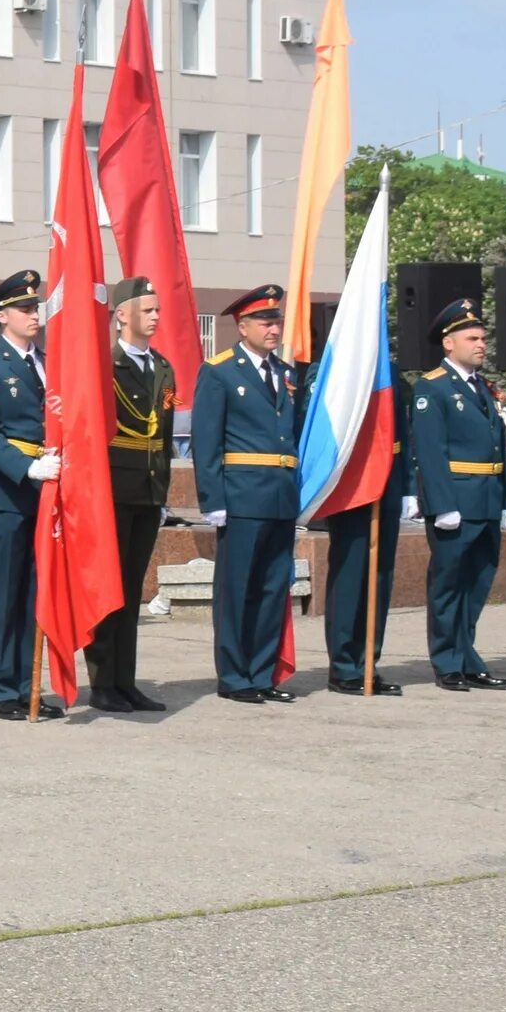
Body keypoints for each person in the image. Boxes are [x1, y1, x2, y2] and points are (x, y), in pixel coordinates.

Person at [190, 283, 301, 706]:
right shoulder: (219, 371)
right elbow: (207, 440)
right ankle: (235, 676)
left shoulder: (286, 374)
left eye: (276, 321)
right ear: (242, 326)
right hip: (240, 496)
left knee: (273, 588)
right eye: (265, 321)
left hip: (279, 496)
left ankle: (262, 671)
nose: (274, 329)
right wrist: (212, 498)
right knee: (237, 590)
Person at [0, 272, 65, 720]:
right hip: (6, 491)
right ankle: (2, 688)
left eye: (35, 307)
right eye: (24, 309)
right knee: (4, 592)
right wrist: (27, 467)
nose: (33, 314)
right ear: (2, 316)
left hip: (47, 488)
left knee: (34, 592)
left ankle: (31, 685)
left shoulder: (46, 363)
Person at [410, 297, 506, 691]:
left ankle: (467, 656)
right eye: (472, 338)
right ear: (448, 342)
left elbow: (499, 447)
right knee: (449, 585)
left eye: (483, 338)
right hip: (457, 501)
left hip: (487, 499)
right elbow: (431, 452)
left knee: (478, 583)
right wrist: (442, 505)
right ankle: (447, 662)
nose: (481, 344)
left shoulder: (482, 388)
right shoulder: (432, 387)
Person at [315, 299, 412, 699]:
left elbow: (402, 441)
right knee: (352, 575)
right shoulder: (340, 379)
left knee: (380, 578)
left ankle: (369, 660)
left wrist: (407, 490)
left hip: (386, 486)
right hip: (353, 486)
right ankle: (344, 666)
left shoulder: (395, 380)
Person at [92, 278, 178, 712]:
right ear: (122, 314)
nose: (156, 317)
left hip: (146, 488)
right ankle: (102, 681)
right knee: (108, 590)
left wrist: (161, 492)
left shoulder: (162, 368)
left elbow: (161, 437)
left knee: (131, 589)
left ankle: (125, 680)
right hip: (112, 488)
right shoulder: (104, 365)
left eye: (158, 310)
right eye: (147, 310)